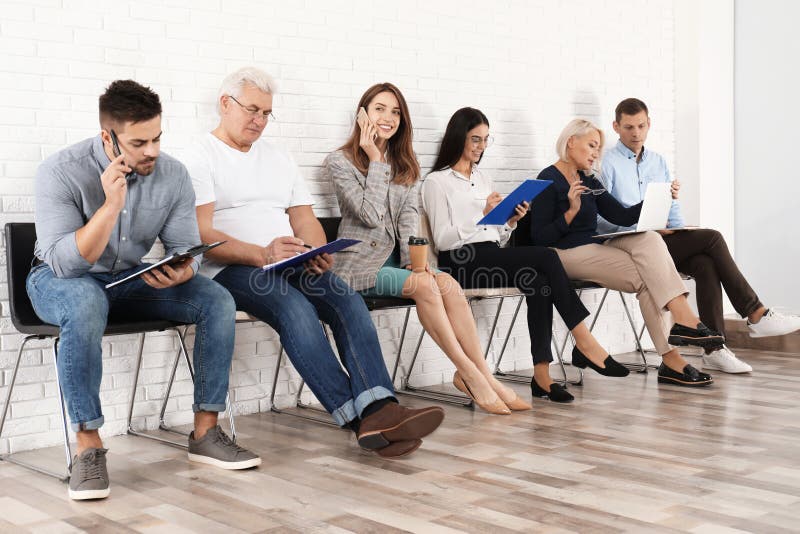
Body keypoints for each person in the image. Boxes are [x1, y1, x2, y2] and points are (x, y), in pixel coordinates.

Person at [182, 67, 444, 459]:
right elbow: (202, 234)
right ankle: (361, 419)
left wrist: (317, 251)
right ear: (225, 104)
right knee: (295, 309)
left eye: (266, 113)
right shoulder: (199, 155)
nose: (259, 121)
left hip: (289, 260)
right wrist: (262, 253)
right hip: (231, 268)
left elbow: (304, 219)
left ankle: (379, 409)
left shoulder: (279, 156)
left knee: (346, 299)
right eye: (252, 110)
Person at [28, 80, 260, 501]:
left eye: (157, 138)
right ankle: (88, 448)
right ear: (108, 138)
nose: (152, 150)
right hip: (57, 282)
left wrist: (183, 270)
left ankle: (206, 434)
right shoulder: (59, 171)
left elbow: (186, 246)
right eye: (138, 143)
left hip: (127, 279)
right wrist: (110, 206)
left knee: (215, 299)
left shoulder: (172, 174)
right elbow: (67, 265)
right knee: (85, 299)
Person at [324, 84, 531, 414]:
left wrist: (414, 262)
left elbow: (408, 220)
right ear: (362, 115)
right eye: (379, 109)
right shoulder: (340, 162)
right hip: (360, 268)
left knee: (448, 284)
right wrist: (375, 158)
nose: (388, 118)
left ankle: (483, 375)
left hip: (398, 263)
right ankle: (472, 375)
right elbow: (369, 215)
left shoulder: (406, 164)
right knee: (426, 286)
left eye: (395, 112)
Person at [423, 107, 630, 403]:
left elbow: (496, 234)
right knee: (546, 256)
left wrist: (509, 221)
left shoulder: (483, 178)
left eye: (485, 140)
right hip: (460, 262)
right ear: (459, 138)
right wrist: (481, 215)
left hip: (490, 254)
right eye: (475, 139)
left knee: (539, 282)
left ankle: (541, 377)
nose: (481, 146)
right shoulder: (436, 182)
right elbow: (442, 239)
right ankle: (584, 339)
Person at [599, 98, 800, 373]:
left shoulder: (657, 161)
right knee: (713, 238)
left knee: (705, 263)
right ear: (616, 127)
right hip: (631, 245)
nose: (636, 133)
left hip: (662, 241)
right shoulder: (607, 164)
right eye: (629, 127)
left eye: (641, 126)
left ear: (649, 124)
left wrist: (682, 230)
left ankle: (714, 349)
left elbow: (670, 205)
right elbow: (601, 221)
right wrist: (644, 227)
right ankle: (755, 313)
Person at [530, 118, 726, 388]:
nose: (596, 153)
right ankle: (676, 348)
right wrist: (572, 211)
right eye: (592, 145)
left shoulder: (588, 179)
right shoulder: (547, 178)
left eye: (598, 148)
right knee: (650, 277)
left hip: (594, 246)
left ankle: (679, 334)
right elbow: (540, 238)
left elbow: (620, 215)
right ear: (571, 142)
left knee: (649, 238)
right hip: (563, 253)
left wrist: (661, 197)